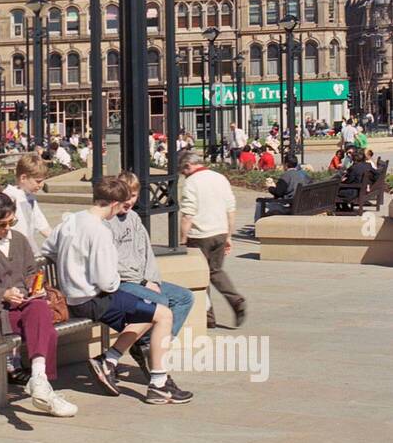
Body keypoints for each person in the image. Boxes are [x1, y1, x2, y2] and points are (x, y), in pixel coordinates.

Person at [43, 176, 190, 405]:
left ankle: (110, 360)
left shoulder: (71, 221)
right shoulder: (100, 231)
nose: (122, 210)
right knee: (164, 313)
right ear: (113, 204)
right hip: (94, 299)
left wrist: (71, 268)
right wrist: (110, 283)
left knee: (150, 312)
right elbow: (106, 282)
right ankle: (158, 384)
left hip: (73, 296)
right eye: (121, 205)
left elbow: (47, 248)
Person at [0, 192, 75, 417]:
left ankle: (38, 378)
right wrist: (3, 294)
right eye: (2, 224)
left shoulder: (19, 240)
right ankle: (44, 387)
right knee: (44, 327)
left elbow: (31, 272)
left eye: (11, 222)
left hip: (25, 304)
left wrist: (36, 287)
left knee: (40, 308)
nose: (7, 228)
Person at [105, 172, 195, 372]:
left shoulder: (135, 218)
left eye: (134, 196)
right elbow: (112, 264)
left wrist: (152, 279)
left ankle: (157, 345)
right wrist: (144, 283)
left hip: (143, 279)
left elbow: (147, 254)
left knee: (184, 297)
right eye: (126, 196)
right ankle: (147, 345)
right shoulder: (107, 222)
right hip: (123, 282)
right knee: (160, 302)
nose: (129, 201)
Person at [179, 149, 244, 328]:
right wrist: (229, 235)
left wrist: (183, 239)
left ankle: (208, 317)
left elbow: (187, 214)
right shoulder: (219, 178)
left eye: (182, 171)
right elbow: (230, 207)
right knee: (216, 271)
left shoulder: (192, 182)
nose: (183, 175)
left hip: (199, 236)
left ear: (188, 165)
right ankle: (236, 300)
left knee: (201, 276)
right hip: (220, 232)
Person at [3, 153, 52, 256]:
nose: (41, 185)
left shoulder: (29, 197)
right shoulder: (9, 197)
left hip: (27, 250)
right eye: (38, 181)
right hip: (13, 252)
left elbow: (42, 225)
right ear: (23, 178)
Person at [253, 152, 310, 223]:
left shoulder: (286, 175)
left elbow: (278, 193)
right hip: (305, 206)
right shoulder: (304, 174)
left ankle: (258, 226)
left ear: (286, 165)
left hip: (293, 207)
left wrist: (270, 187)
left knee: (260, 203)